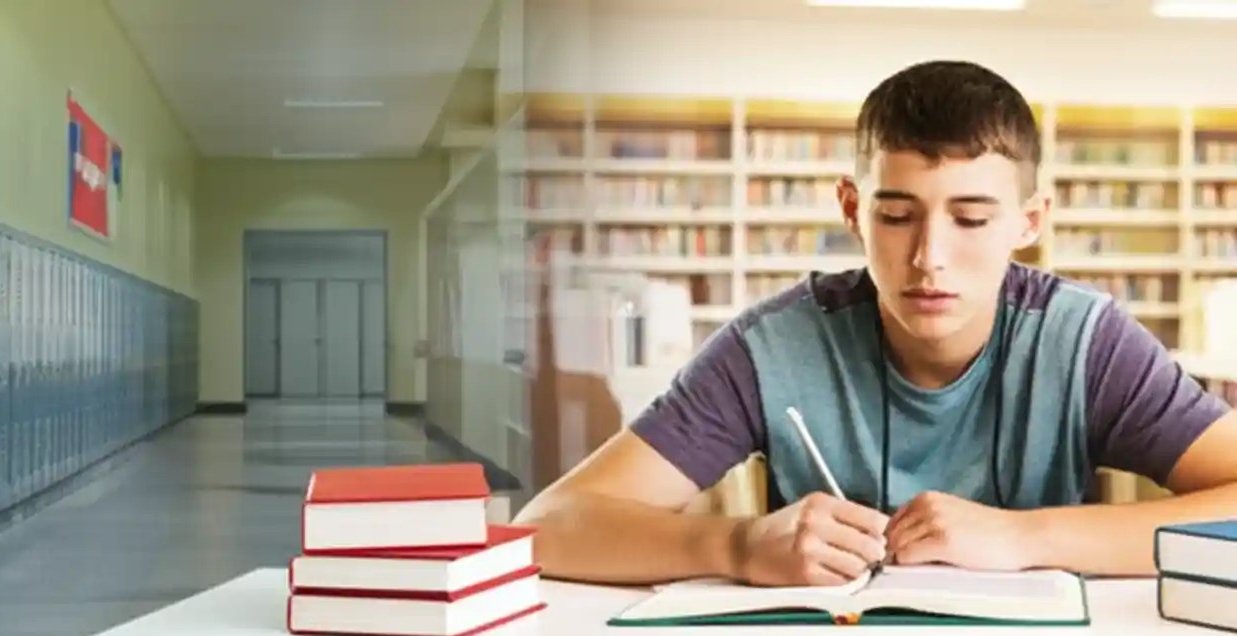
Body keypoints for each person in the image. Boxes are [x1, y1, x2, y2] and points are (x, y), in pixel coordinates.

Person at [512, 60, 1237, 588]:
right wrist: (735, 546)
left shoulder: (1086, 343)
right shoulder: (773, 348)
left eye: (972, 218)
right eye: (896, 216)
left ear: (1030, 222)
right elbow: (547, 526)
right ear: (853, 210)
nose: (929, 258)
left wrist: (1023, 535)